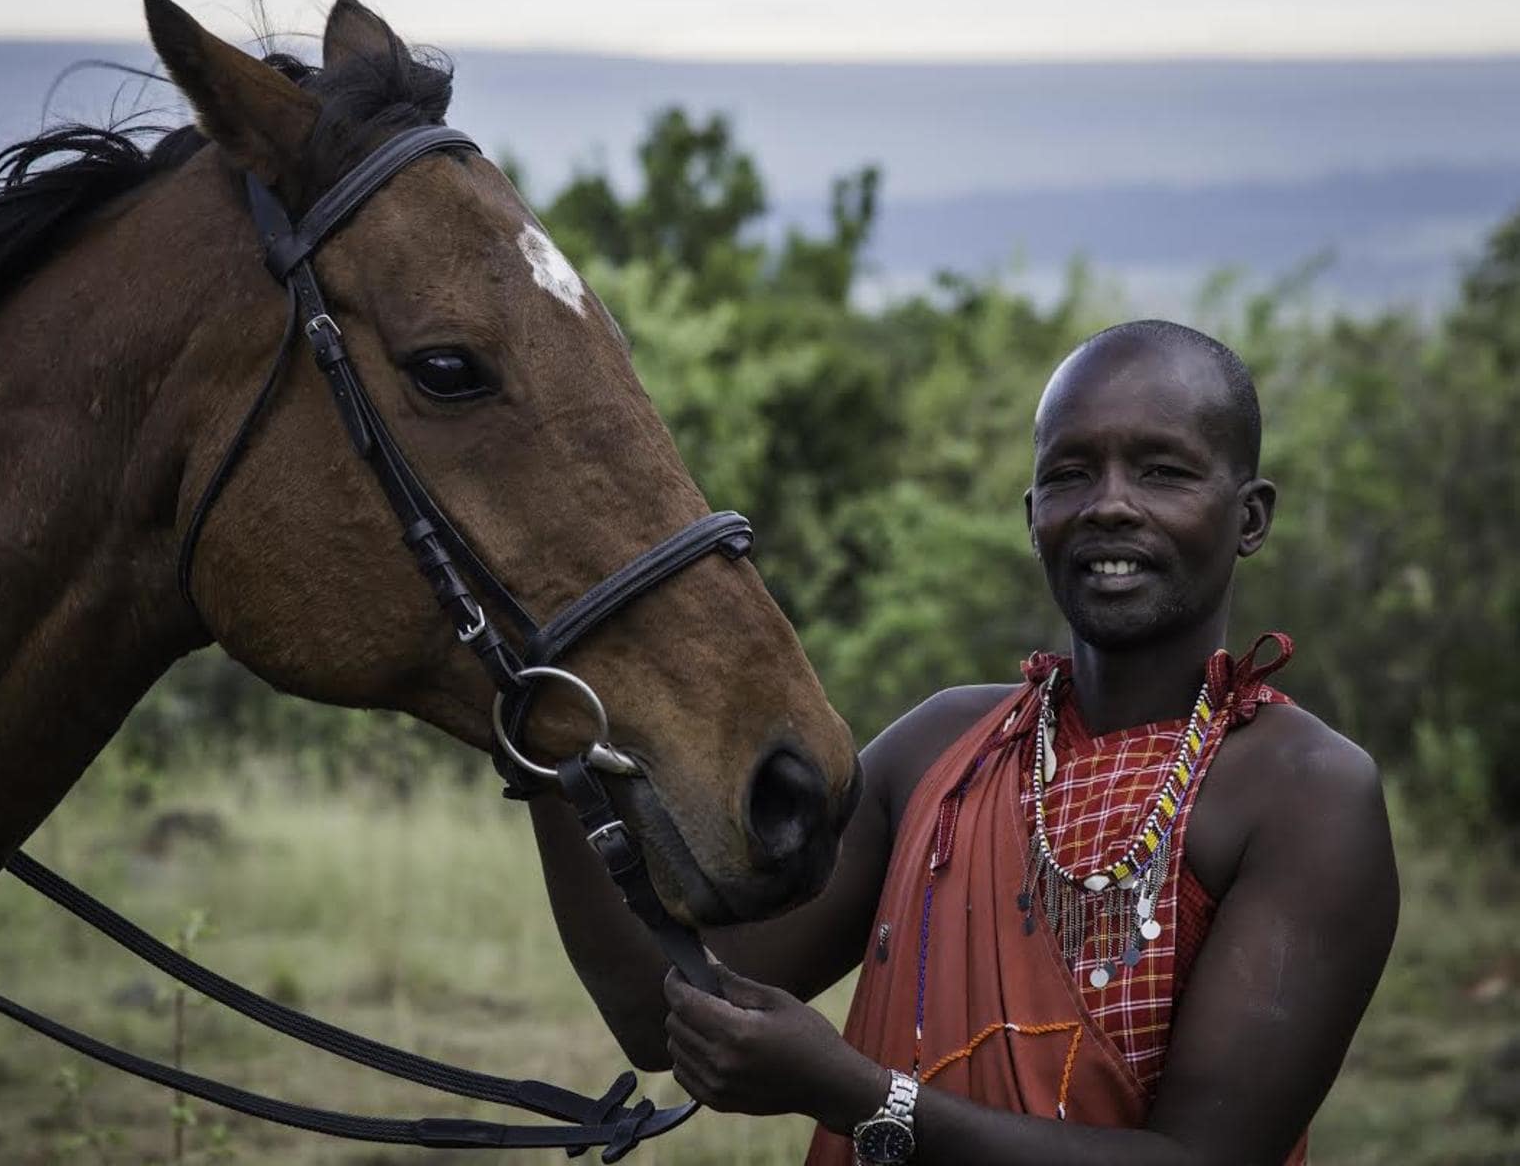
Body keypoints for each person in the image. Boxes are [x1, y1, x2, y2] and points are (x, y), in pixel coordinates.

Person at [525, 319, 1399, 1164]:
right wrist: (544, 737)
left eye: (1164, 472)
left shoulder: (1306, 795)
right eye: (1070, 474)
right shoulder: (946, 745)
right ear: (1031, 515)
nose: (1109, 506)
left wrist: (861, 1096)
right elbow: (669, 1011)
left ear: (1249, 518)